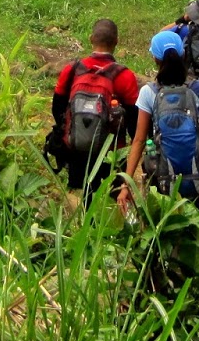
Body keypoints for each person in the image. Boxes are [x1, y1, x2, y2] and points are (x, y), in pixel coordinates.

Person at [118, 31, 199, 212]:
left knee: (165, 222)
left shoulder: (148, 93)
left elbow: (139, 140)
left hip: (161, 174)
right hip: (197, 172)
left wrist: (126, 184)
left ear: (155, 59)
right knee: (195, 220)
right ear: (183, 54)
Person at [48, 19, 139, 206]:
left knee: (86, 195)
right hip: (112, 151)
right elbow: (133, 120)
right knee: (112, 200)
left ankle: (85, 227)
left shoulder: (72, 70)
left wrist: (70, 133)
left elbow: (57, 107)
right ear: (116, 42)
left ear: (91, 39)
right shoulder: (125, 76)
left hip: (78, 148)